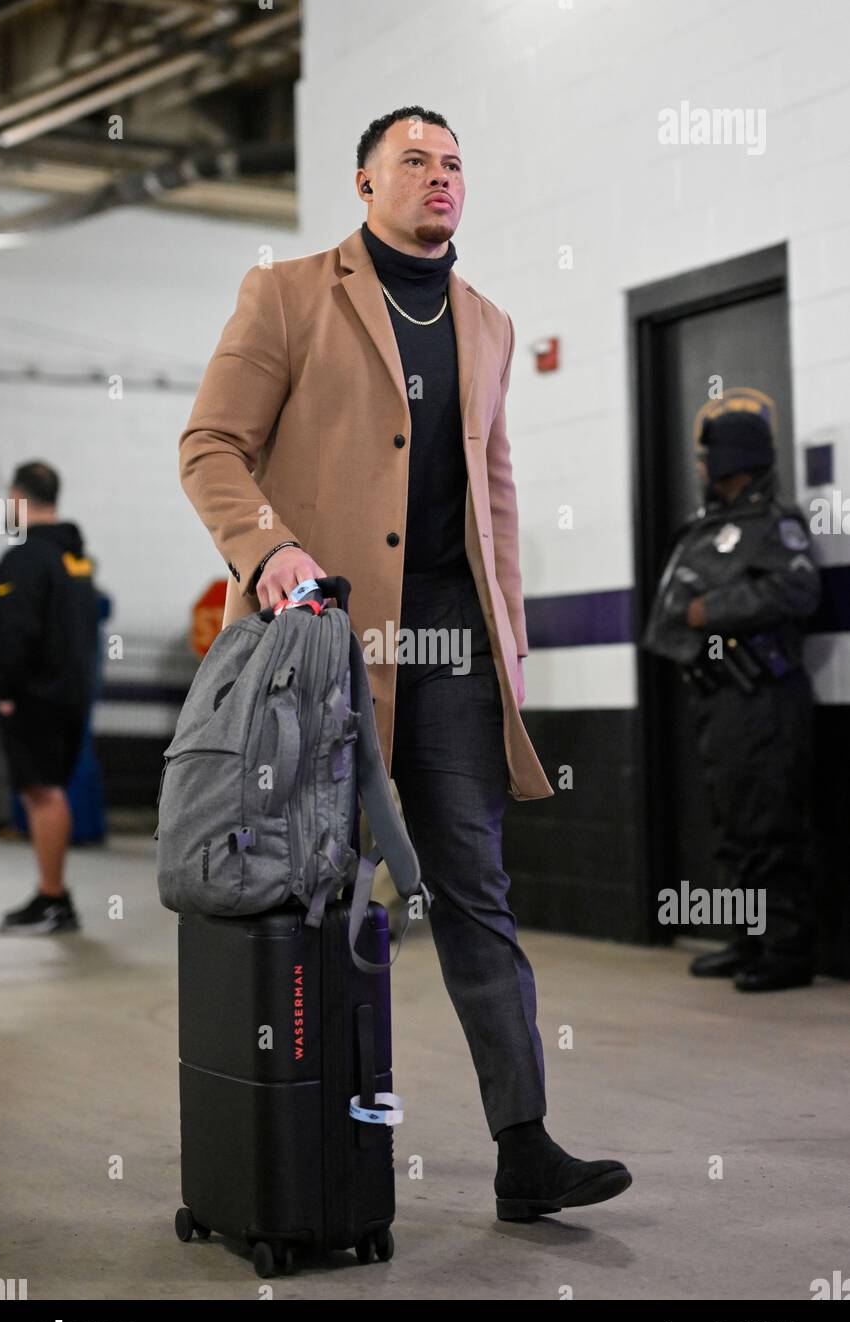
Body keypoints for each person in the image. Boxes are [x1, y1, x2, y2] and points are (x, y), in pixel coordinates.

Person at [179, 105, 632, 1220]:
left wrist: (508, 642)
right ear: (363, 184)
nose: (440, 176)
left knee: (475, 891)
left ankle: (523, 1146)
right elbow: (210, 446)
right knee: (315, 885)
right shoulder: (288, 294)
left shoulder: (485, 322)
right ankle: (303, 1148)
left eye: (454, 163)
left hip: (451, 651)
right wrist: (267, 547)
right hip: (322, 647)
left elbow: (498, 490)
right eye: (415, 161)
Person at [643, 404, 821, 991]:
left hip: (763, 699)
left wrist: (711, 610)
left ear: (731, 460)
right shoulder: (712, 522)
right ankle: (750, 940)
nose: (699, 466)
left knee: (769, 824)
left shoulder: (774, 521)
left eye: (706, 456)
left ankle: (786, 950)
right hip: (720, 702)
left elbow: (799, 588)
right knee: (735, 825)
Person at [0, 461, 99, 934]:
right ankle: (54, 895)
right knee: (47, 791)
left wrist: (4, 690)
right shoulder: (74, 558)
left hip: (33, 697)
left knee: (43, 793)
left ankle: (53, 899)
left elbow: (14, 628)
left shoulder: (27, 558)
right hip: (68, 695)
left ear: (18, 497)